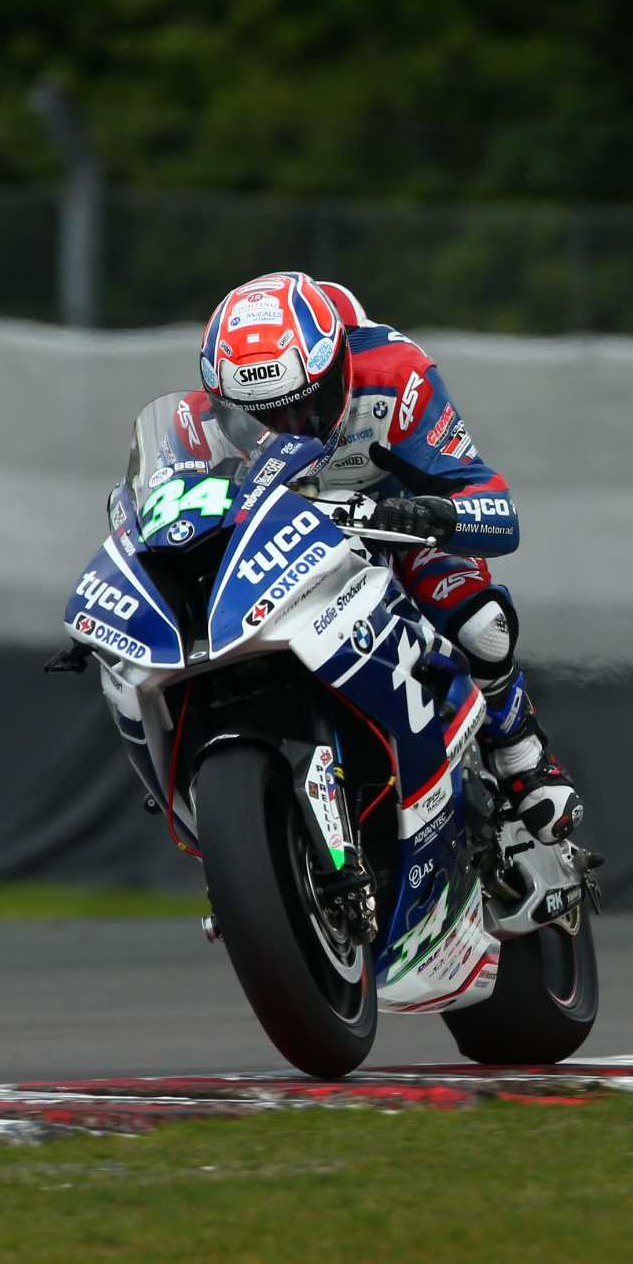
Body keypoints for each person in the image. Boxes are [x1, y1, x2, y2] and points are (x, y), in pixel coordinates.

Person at [198, 270, 584, 841]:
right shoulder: (206, 423)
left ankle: (520, 751)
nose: (282, 429)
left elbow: (493, 504)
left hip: (390, 520)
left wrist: (434, 516)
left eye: (298, 409)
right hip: (281, 547)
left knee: (484, 627)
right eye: (257, 416)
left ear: (335, 373)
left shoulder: (395, 376)